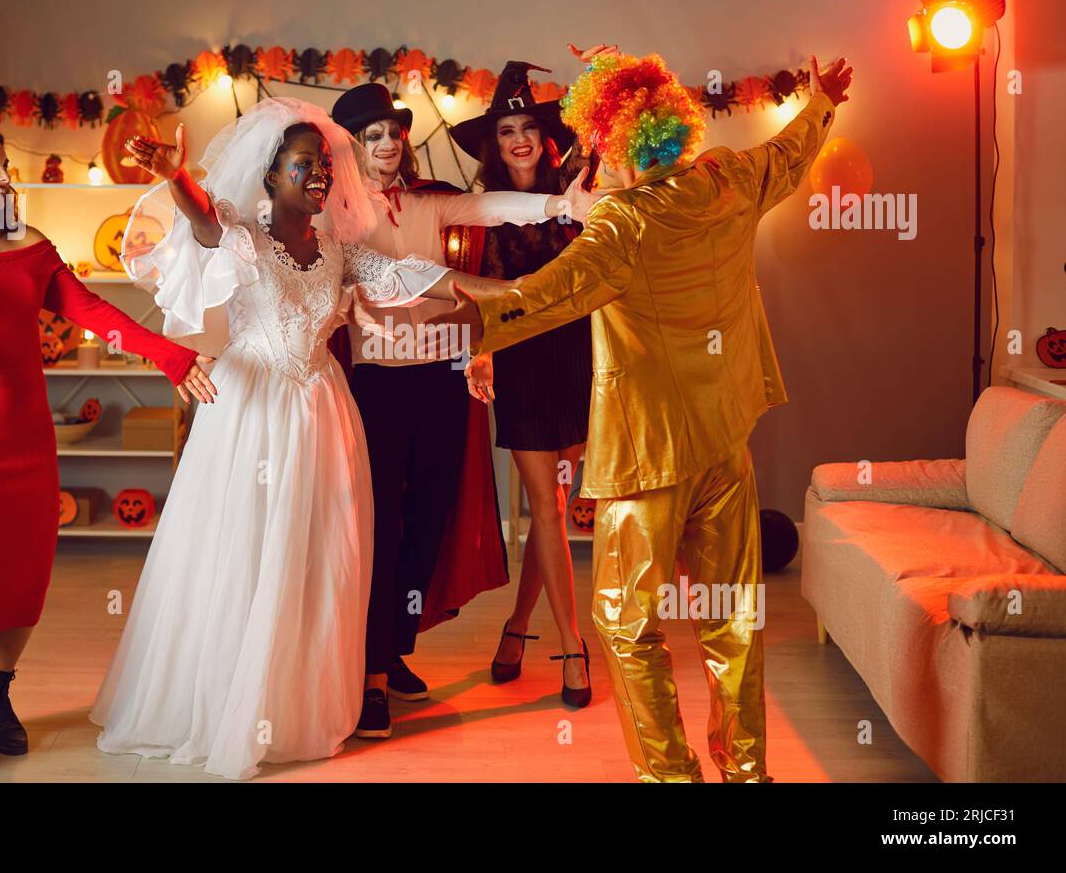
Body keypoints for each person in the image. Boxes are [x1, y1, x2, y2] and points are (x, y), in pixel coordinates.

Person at [431, 45, 854, 781]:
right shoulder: (728, 179)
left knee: (625, 626)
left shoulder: (621, 225)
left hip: (650, 459)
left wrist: (473, 319)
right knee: (732, 618)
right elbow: (790, 151)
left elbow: (547, 293)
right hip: (726, 442)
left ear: (611, 142)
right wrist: (821, 101)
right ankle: (748, 770)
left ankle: (671, 775)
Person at [89, 97, 521, 779]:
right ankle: (232, 702)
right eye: (305, 164)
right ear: (269, 175)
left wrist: (502, 291)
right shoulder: (241, 235)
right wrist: (177, 176)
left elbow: (413, 279)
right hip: (250, 413)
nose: (321, 175)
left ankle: (301, 700)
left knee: (322, 557)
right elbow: (201, 223)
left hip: (323, 414)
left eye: (324, 164)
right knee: (248, 551)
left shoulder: (339, 252)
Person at [0, 109, 210, 783]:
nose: (4, 179)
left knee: (26, 585)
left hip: (29, 438)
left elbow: (94, 313)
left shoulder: (31, 246)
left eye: (6, 168)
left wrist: (168, 356)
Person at [330, 83, 601, 737]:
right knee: (382, 528)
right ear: (353, 148)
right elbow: (375, 283)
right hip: (380, 385)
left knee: (428, 520)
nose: (388, 144)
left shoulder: (431, 202)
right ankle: (369, 675)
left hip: (442, 381)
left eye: (394, 132)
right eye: (373, 136)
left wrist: (562, 202)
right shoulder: (337, 215)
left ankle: (393, 652)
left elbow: (493, 206)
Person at [448, 61, 595, 707]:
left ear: (544, 134)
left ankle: (516, 627)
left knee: (554, 511)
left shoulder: (577, 186)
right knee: (548, 507)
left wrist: (602, 69)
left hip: (578, 357)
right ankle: (572, 648)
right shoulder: (483, 210)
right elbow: (472, 291)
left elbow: (611, 135)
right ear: (495, 143)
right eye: (506, 129)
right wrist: (481, 352)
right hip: (521, 358)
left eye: (528, 126)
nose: (519, 139)